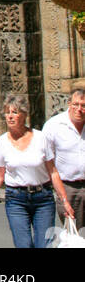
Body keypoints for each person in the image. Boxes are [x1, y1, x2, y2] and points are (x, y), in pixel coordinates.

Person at [0, 94, 74, 248]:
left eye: (15, 112)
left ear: (24, 115)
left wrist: (64, 201)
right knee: (23, 245)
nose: (10, 116)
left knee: (43, 245)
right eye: (7, 112)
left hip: (43, 198)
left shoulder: (40, 138)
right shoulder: (2, 142)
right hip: (16, 199)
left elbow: (53, 171)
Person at [42, 85, 85, 233]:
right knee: (72, 234)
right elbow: (48, 162)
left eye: (84, 106)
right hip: (68, 187)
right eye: (76, 105)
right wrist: (62, 196)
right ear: (69, 104)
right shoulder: (54, 126)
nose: (79, 109)